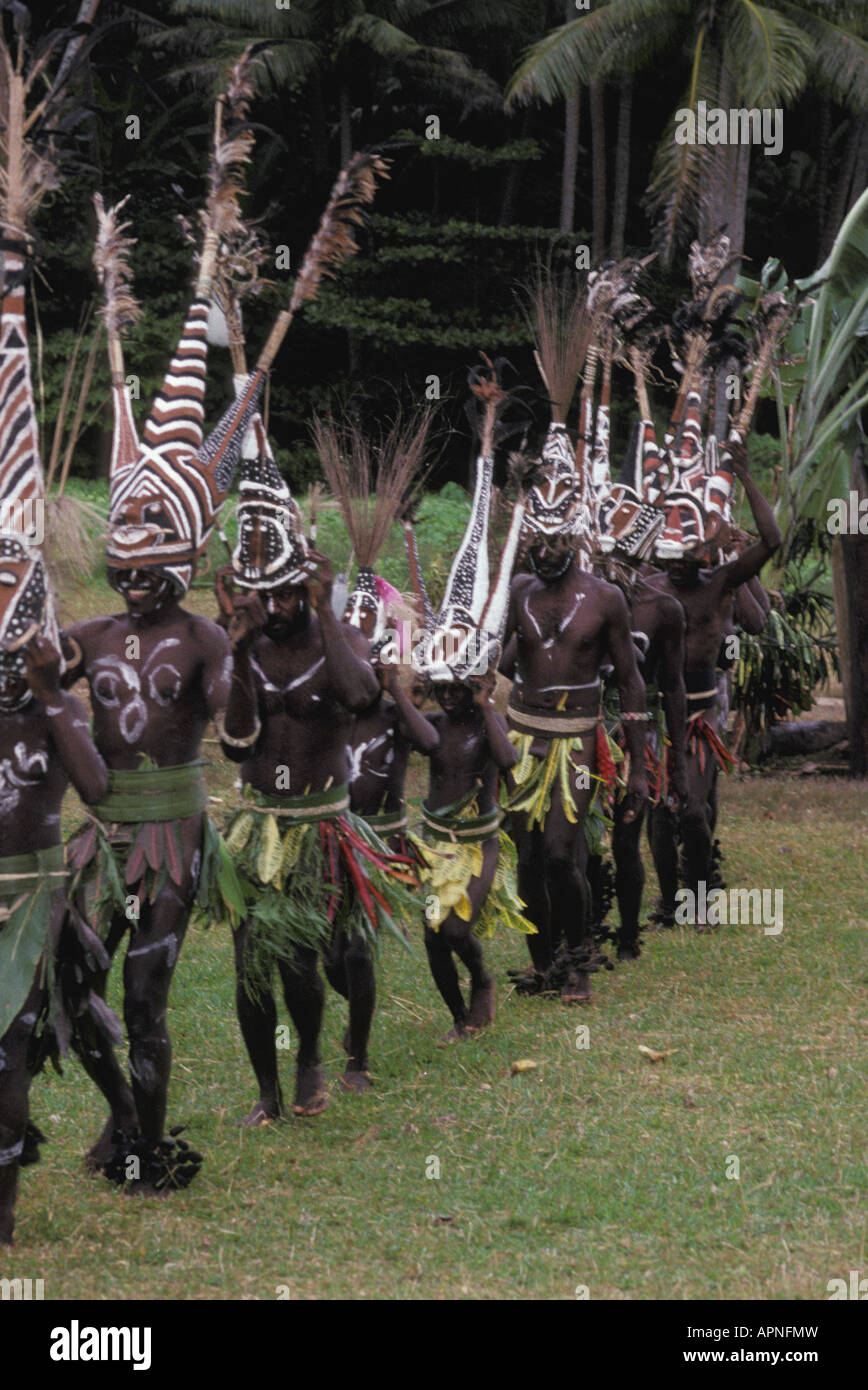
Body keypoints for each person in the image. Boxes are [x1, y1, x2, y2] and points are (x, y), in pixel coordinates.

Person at [219, 431, 416, 1120]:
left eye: (287, 594)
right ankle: (267, 1093)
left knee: (304, 960)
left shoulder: (340, 639)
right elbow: (235, 744)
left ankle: (310, 1062)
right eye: (262, 595)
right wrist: (239, 652)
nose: (275, 608)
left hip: (319, 824)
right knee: (250, 961)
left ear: (306, 583)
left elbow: (362, 696)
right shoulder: (241, 645)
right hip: (258, 824)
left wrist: (327, 606)